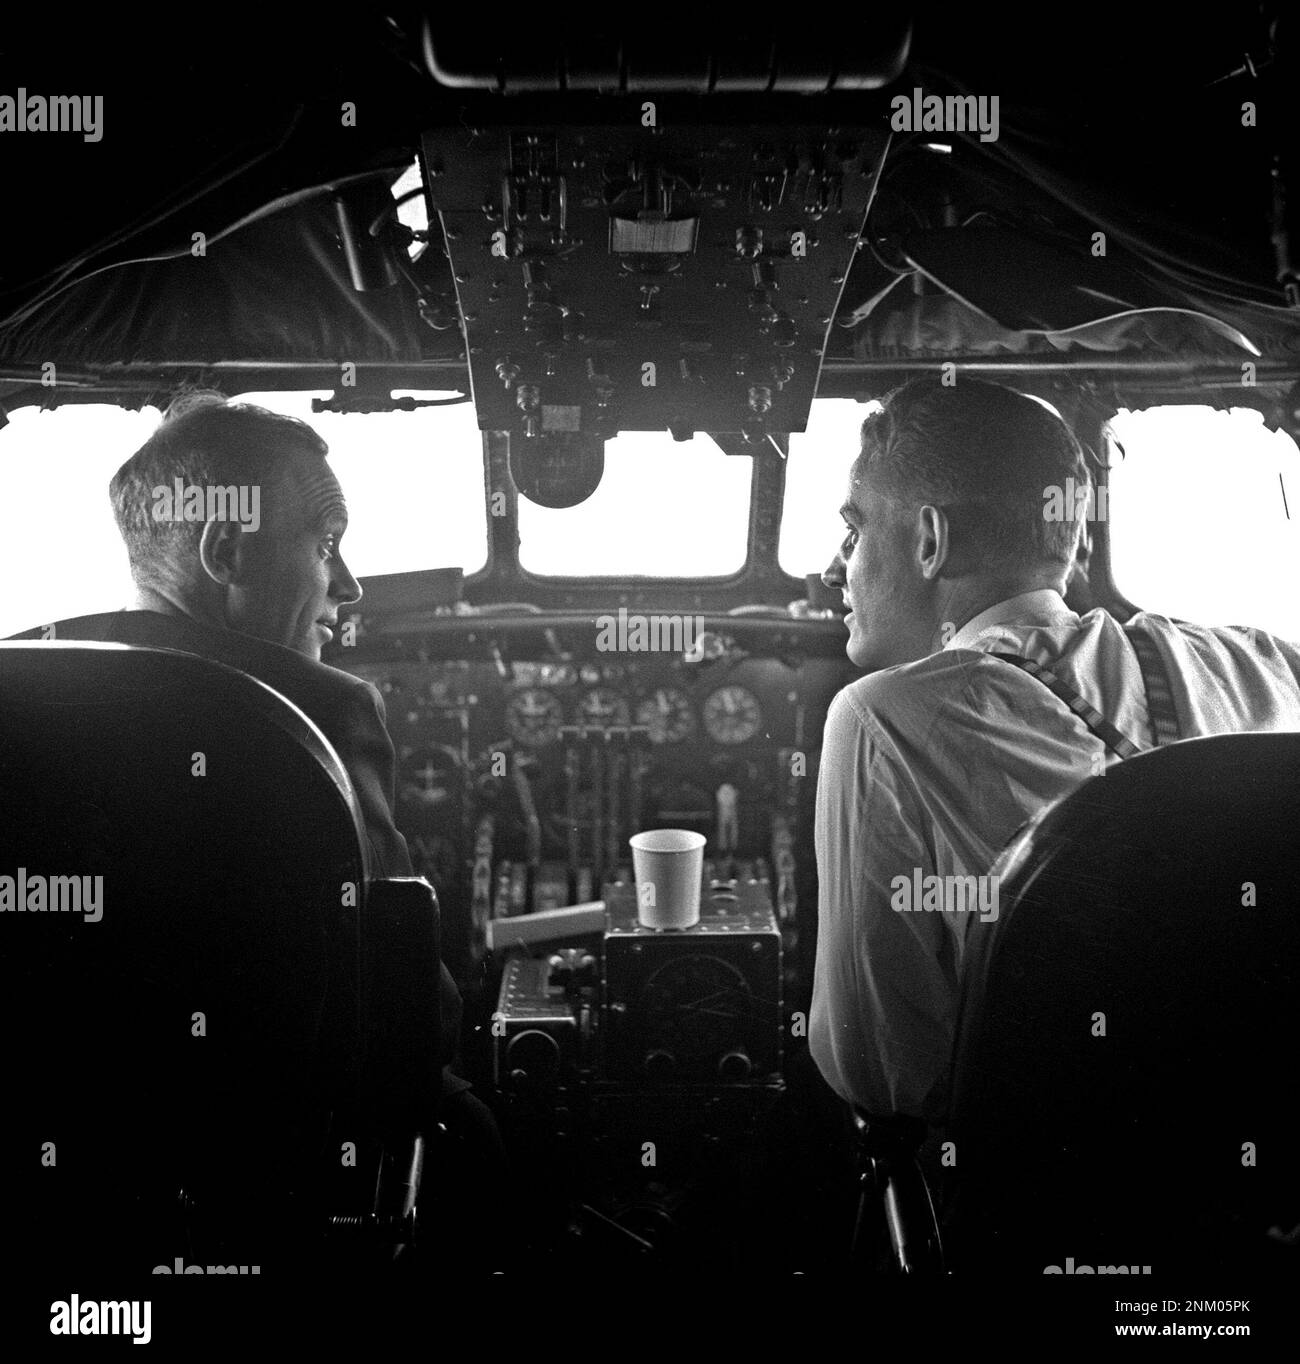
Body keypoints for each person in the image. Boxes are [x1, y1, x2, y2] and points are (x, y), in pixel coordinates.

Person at [9, 394, 498, 1158]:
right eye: (327, 543)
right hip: (278, 1170)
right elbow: (405, 1013)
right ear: (227, 553)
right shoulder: (318, 710)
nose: (350, 587)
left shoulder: (19, 685)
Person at [811, 377, 1300, 1125]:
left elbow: (880, 1070)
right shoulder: (1265, 664)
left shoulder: (883, 720)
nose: (834, 566)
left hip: (1044, 1193)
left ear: (930, 539)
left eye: (854, 529)